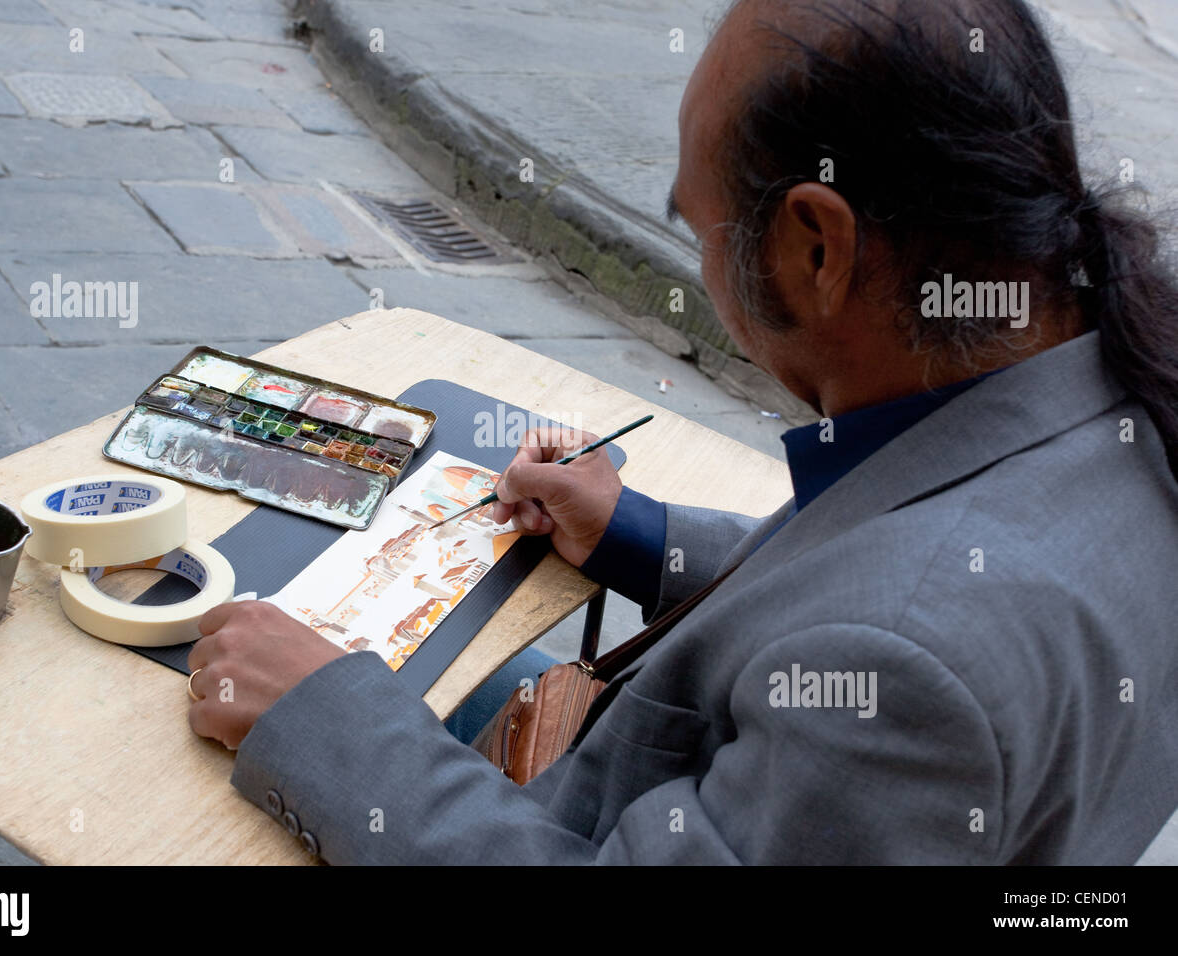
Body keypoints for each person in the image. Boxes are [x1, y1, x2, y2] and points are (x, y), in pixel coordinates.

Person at [184, 0, 1178, 864]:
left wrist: (321, 719)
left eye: (696, 227)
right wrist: (635, 529)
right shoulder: (1103, 394)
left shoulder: (910, 679)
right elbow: (873, 576)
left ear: (817, 245)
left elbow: (886, 627)